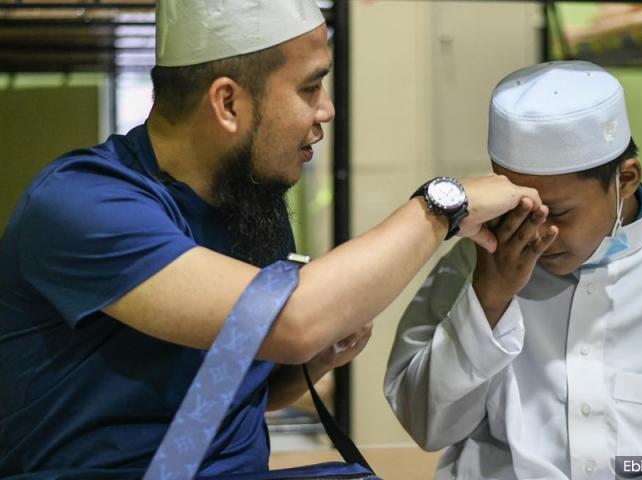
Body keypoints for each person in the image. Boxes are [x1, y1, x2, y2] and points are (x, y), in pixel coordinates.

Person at [0, 1, 542, 478]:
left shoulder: (248, 206)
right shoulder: (83, 204)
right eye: (310, 86)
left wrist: (316, 359)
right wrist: (441, 205)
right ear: (228, 104)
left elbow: (227, 397)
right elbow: (292, 320)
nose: (326, 109)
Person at [384, 61, 642, 479]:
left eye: (560, 213)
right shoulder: (471, 264)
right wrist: (488, 300)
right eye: (516, 210)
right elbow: (427, 426)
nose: (538, 234)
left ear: (625, 179)